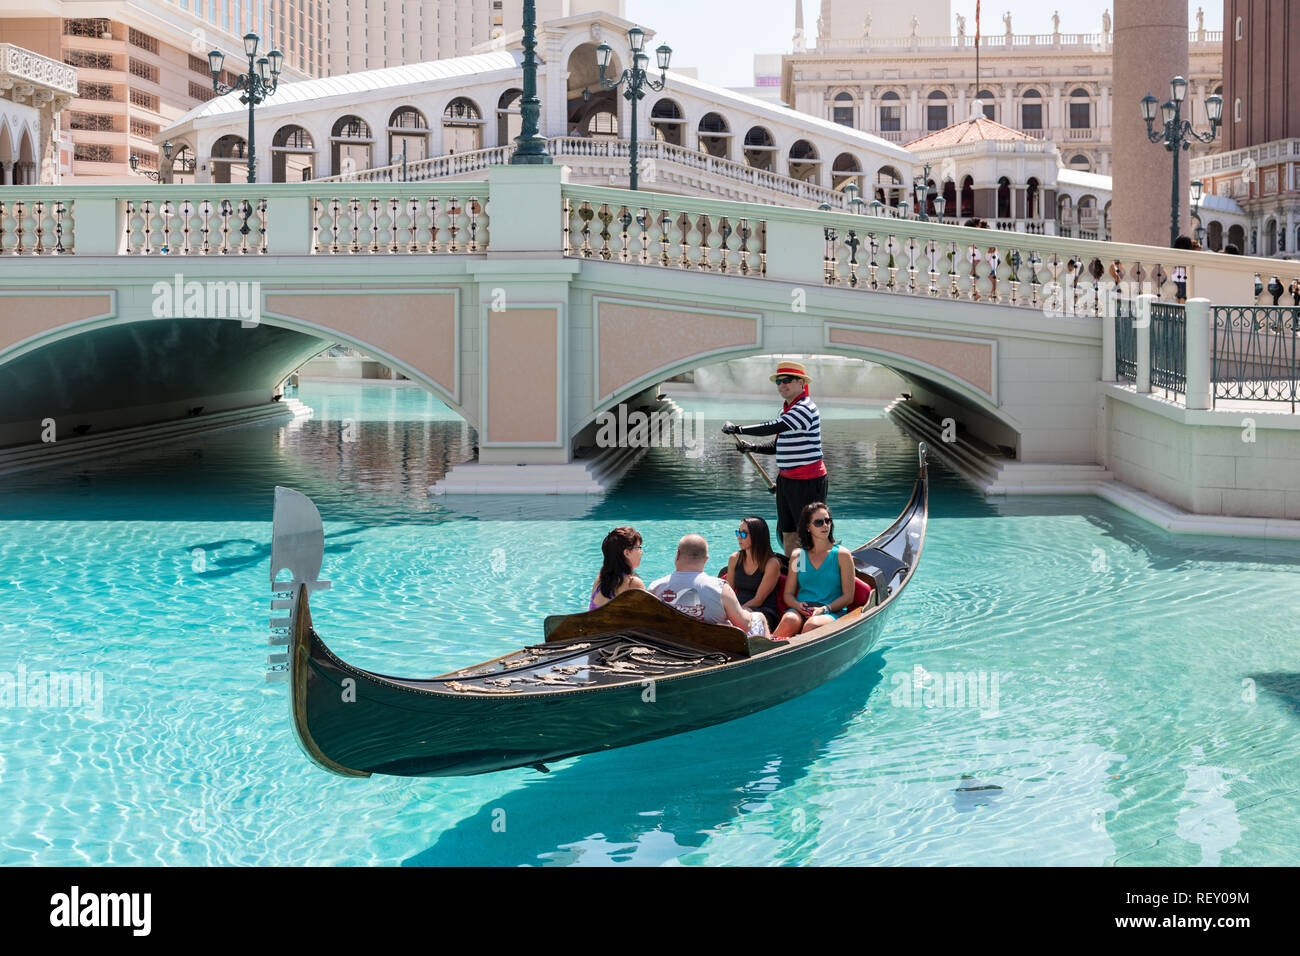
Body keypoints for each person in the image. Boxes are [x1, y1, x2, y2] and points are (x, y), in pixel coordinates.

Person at [721, 361, 826, 557]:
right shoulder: (787, 409)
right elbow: (778, 445)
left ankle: (813, 573)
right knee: (789, 533)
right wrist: (752, 447)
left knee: (808, 534)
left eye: (786, 380)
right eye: (778, 381)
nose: (781, 385)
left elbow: (773, 427)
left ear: (801, 382)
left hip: (807, 481)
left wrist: (738, 429)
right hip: (787, 480)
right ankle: (794, 575)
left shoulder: (805, 408)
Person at [649, 534, 767, 635]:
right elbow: (744, 626)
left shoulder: (656, 587)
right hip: (714, 648)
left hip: (672, 643)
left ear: (677, 555)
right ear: (706, 559)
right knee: (759, 617)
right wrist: (747, 613)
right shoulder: (720, 588)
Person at [773, 502, 857, 639]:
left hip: (831, 611)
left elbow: (848, 597)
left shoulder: (842, 555)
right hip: (802, 609)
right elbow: (788, 594)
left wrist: (824, 609)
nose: (825, 525)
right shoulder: (798, 556)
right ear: (808, 527)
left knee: (812, 624)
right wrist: (797, 605)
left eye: (828, 521)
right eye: (819, 522)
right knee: (789, 620)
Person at [726, 516, 783, 632]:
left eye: (743, 534)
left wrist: (736, 613)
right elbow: (728, 591)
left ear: (757, 537)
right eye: (738, 532)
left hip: (763, 611)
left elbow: (759, 599)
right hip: (738, 610)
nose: (738, 537)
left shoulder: (772, 563)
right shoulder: (734, 558)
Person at [588, 526, 645, 610]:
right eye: (639, 548)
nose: (641, 552)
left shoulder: (601, 577)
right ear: (627, 553)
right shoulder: (633, 583)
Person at [1172, 235, 1193, 303]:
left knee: (1176, 300)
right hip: (1184, 280)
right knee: (1183, 301)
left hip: (1174, 278)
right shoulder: (1189, 256)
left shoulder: (1174, 255)